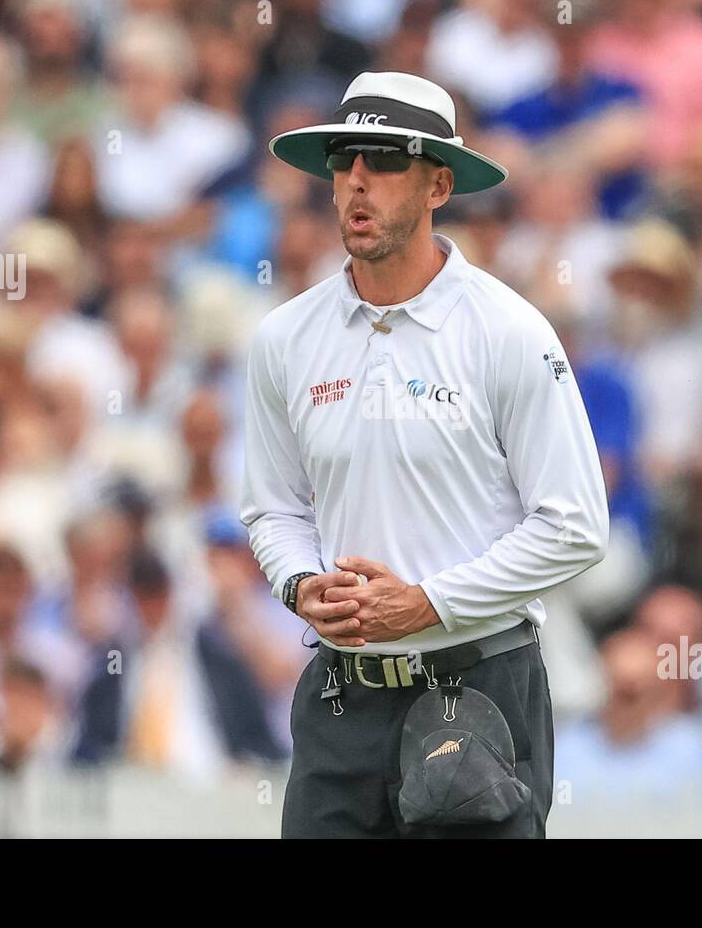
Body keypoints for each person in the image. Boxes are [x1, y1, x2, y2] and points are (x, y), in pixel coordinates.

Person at [240, 72, 608, 838]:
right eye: (344, 161)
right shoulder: (285, 339)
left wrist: (428, 603)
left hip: (479, 691)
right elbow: (274, 505)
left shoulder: (510, 332)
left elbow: (575, 526)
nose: (356, 182)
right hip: (341, 699)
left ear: (440, 183)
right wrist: (300, 583)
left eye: (383, 160)